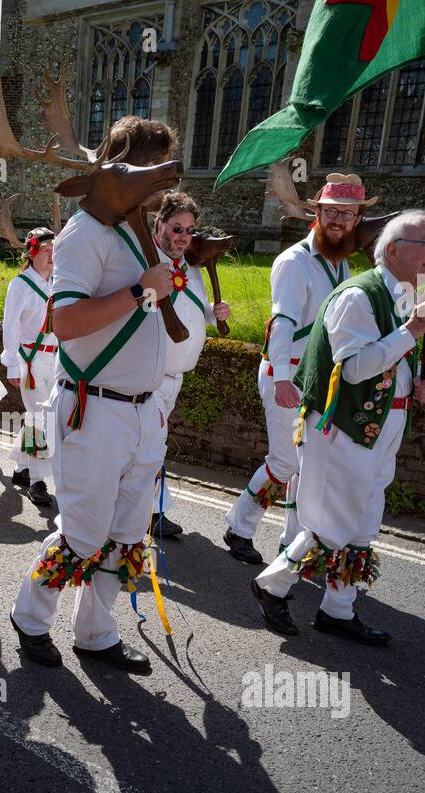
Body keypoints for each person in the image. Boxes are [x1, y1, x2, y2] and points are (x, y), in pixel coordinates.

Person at [9, 115, 181, 676]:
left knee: (127, 533)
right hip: (95, 408)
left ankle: (95, 632)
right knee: (83, 532)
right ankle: (31, 618)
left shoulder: (136, 233)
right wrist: (139, 292)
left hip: (142, 411)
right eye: (150, 166)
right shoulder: (82, 234)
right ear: (119, 165)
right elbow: (65, 323)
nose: (161, 182)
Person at [251, 209, 425, 645]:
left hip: (383, 425)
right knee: (333, 523)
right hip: (344, 426)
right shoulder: (358, 296)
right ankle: (272, 585)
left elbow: (396, 363)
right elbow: (355, 368)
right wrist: (413, 330)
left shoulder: (407, 296)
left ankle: (338, 609)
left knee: (363, 522)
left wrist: (423, 385)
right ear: (393, 251)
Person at [224, 174, 366, 563]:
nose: (339, 220)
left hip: (318, 378)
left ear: (356, 221)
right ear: (316, 213)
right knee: (285, 463)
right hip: (285, 374)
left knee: (307, 469)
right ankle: (239, 527)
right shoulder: (294, 262)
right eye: (332, 211)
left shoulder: (341, 266)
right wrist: (283, 379)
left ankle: (290, 547)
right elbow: (283, 323)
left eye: (348, 214)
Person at [148, 191, 229, 539]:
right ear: (159, 225)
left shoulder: (190, 269)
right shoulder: (144, 263)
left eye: (189, 230)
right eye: (176, 227)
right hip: (147, 377)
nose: (183, 236)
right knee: (152, 446)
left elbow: (190, 309)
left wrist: (213, 314)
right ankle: (149, 512)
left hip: (175, 377)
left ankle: (148, 510)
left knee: (155, 446)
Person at [0, 225, 57, 507]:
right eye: (46, 251)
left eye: (54, 251)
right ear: (32, 253)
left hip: (57, 359)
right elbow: (9, 328)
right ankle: (38, 482)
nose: (51, 256)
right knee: (40, 420)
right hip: (29, 360)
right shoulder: (20, 285)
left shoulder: (59, 283)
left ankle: (22, 469)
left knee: (40, 417)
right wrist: (11, 364)